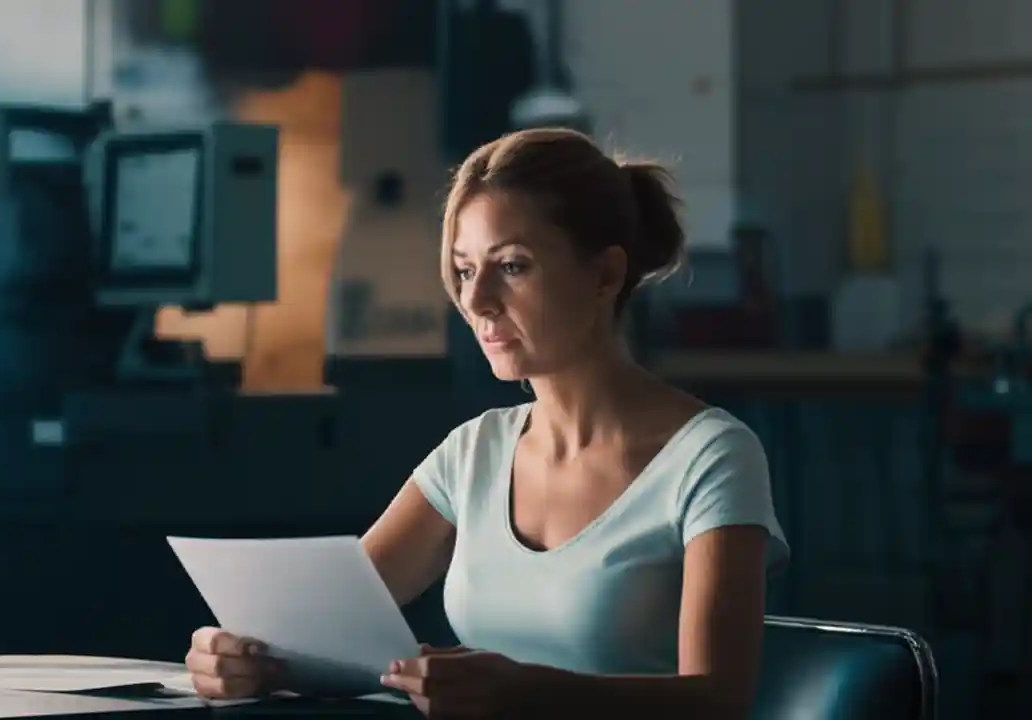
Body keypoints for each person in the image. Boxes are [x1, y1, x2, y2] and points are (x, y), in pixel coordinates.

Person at [185, 128, 790, 717]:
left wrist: (525, 694)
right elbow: (320, 631)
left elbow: (718, 700)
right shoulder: (473, 451)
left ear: (605, 275)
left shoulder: (711, 456)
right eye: (466, 269)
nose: (476, 303)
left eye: (514, 266)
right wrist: (243, 657)